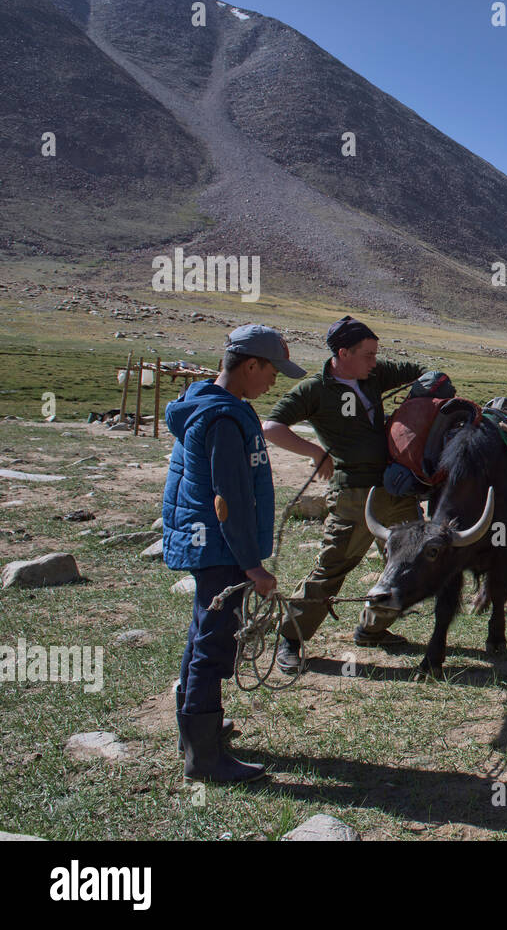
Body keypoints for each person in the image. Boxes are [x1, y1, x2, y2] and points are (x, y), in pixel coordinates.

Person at [164, 324, 306, 783]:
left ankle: (196, 728)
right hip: (222, 548)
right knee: (214, 641)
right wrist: (251, 565)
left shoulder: (208, 403)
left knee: (203, 630)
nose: (273, 383)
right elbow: (229, 501)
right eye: (272, 372)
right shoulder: (224, 419)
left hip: (208, 543)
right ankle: (204, 758)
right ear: (250, 365)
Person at [262, 316, 428, 672]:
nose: (374, 362)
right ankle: (291, 638)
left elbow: (420, 371)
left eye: (375, 355)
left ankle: (372, 629)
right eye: (367, 355)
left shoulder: (375, 375)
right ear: (343, 353)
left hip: (396, 488)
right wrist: (315, 453)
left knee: (407, 565)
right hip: (353, 494)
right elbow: (272, 427)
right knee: (333, 567)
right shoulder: (314, 390)